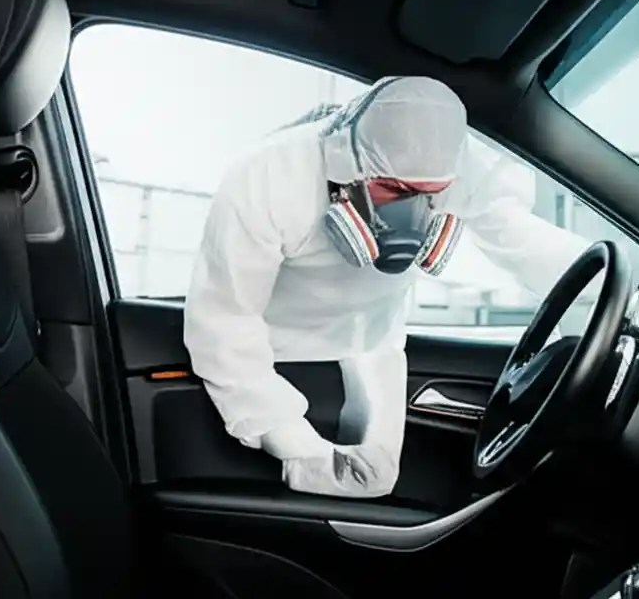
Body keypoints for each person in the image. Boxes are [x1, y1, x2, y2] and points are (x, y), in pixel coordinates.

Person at [184, 76, 594, 499]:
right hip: (274, 347)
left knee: (377, 479)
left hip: (374, 337)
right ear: (348, 164)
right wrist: (292, 442)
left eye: (430, 195)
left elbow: (526, 244)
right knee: (316, 470)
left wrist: (610, 287)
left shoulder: (462, 170)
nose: (413, 215)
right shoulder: (269, 177)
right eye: (395, 190)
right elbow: (225, 320)